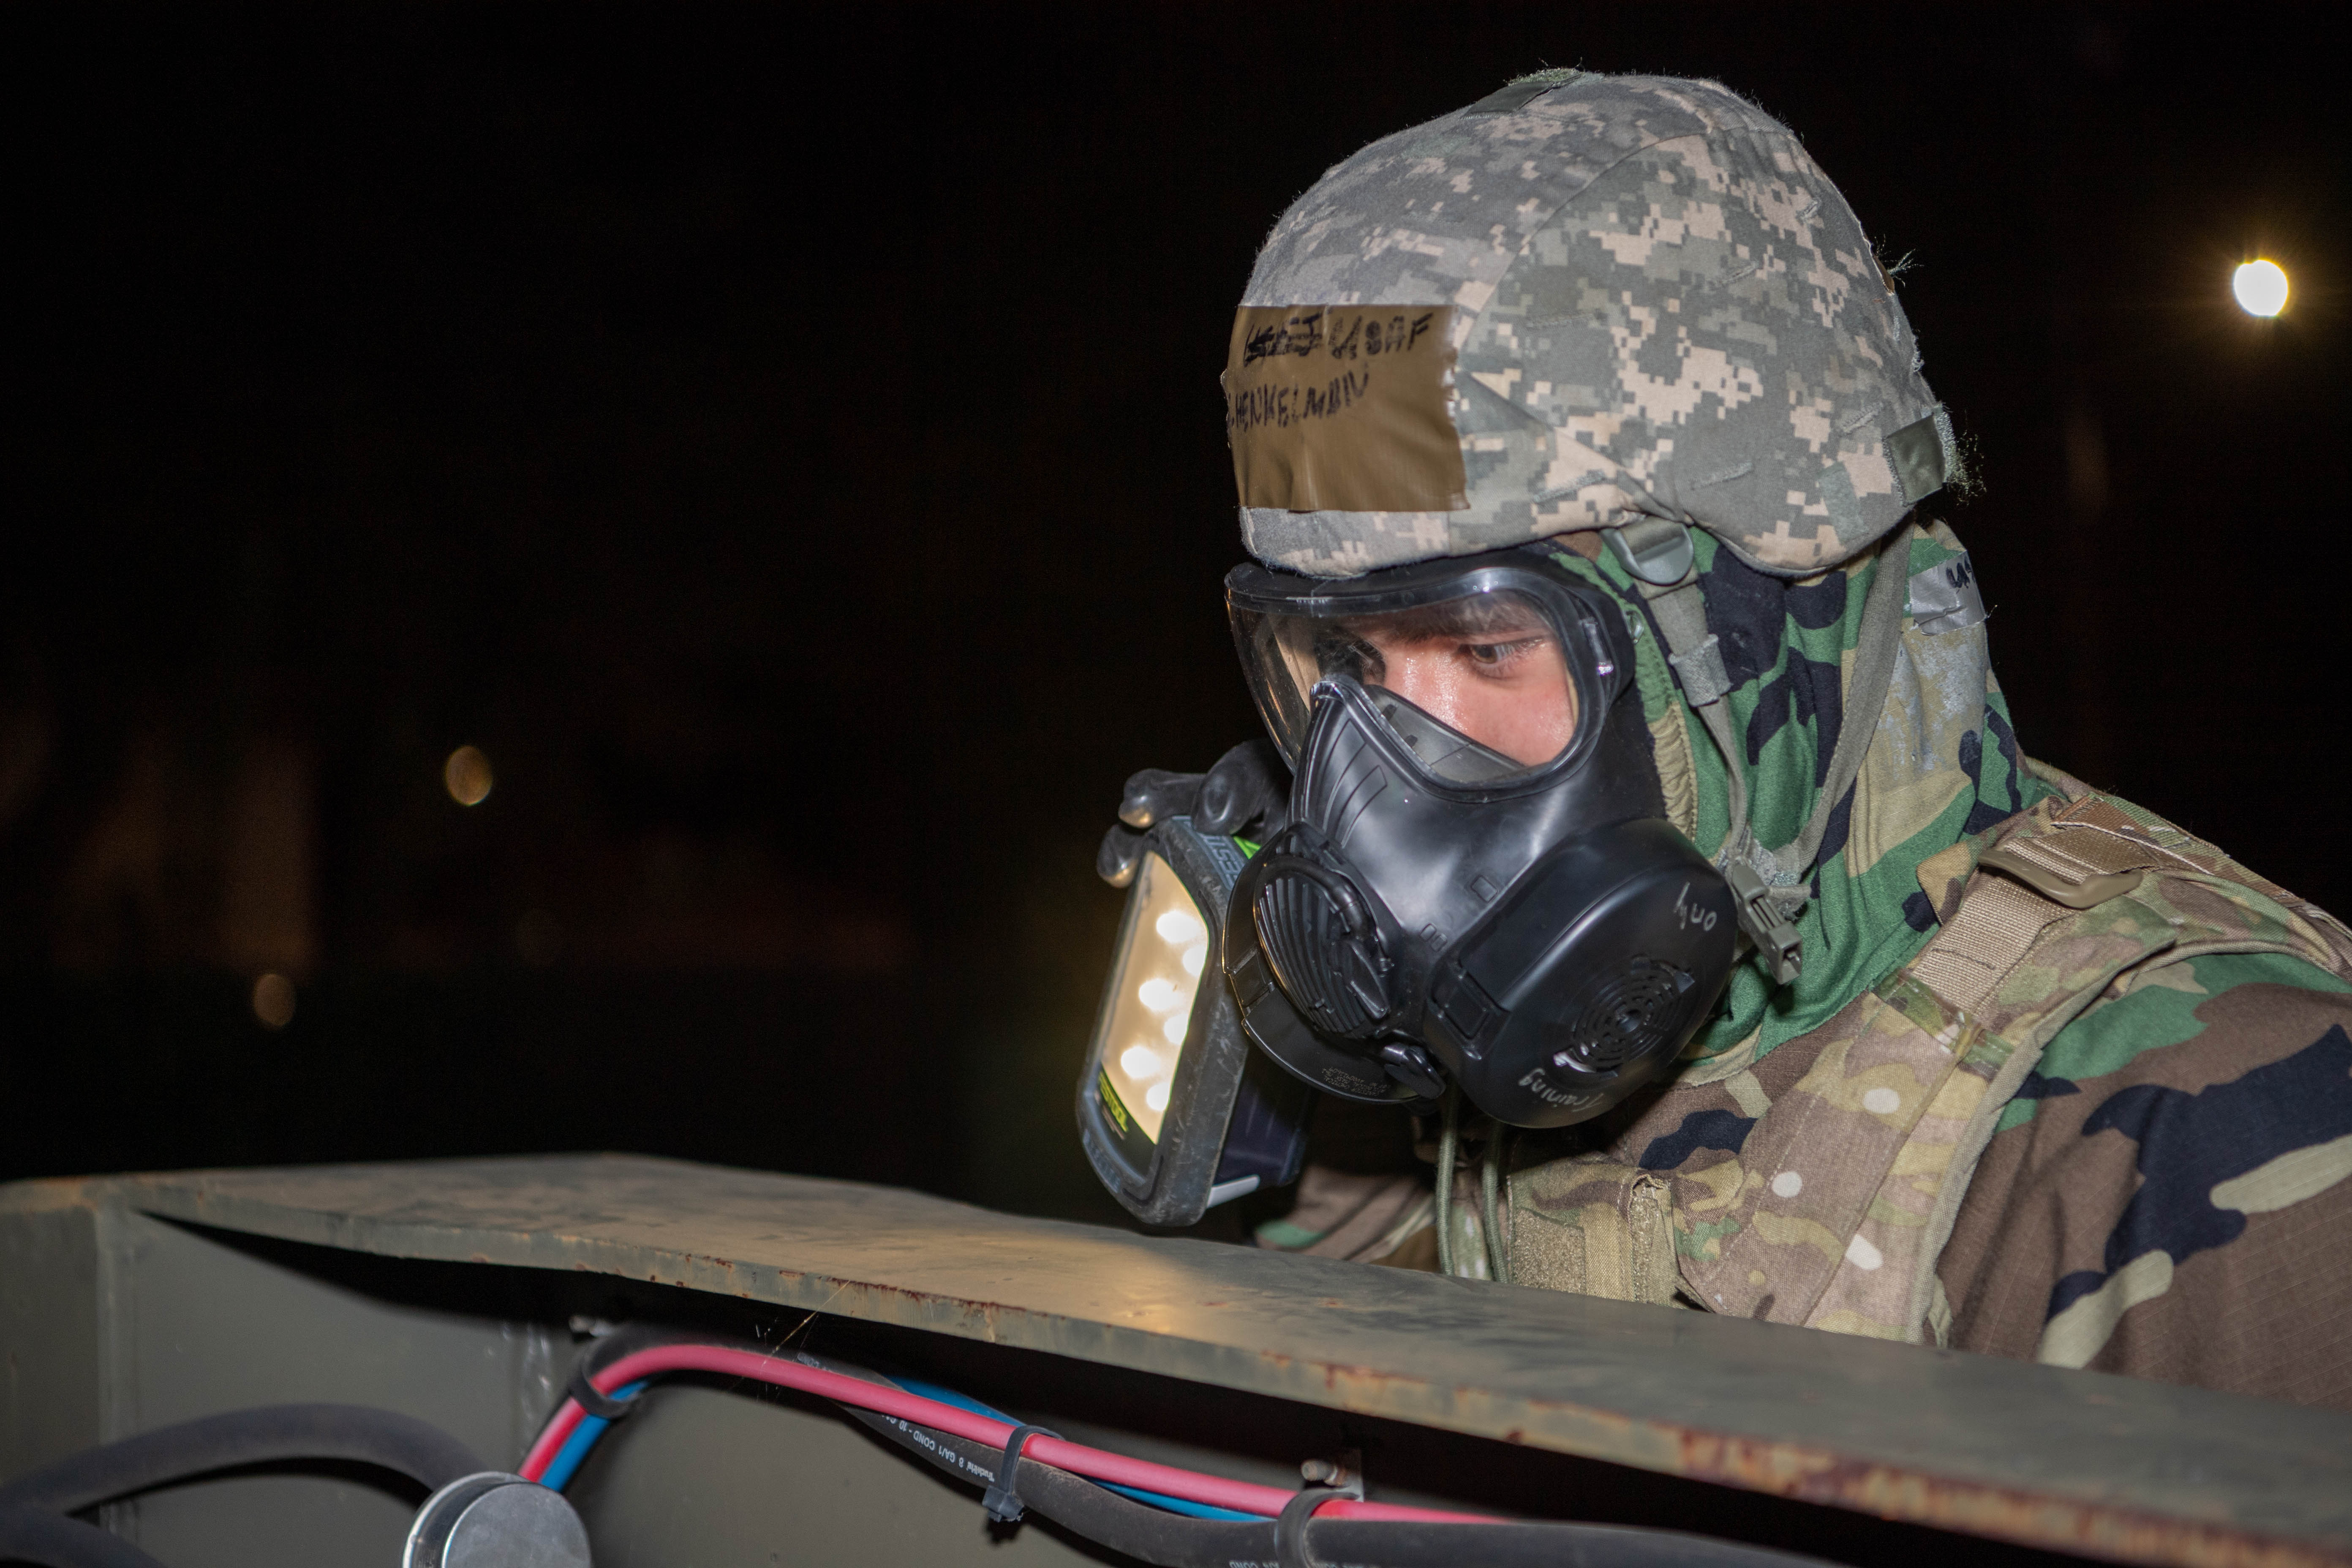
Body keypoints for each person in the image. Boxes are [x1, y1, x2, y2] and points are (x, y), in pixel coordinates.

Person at [1099, 70, 2352, 1409]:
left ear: (1755, 635)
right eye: (1344, 661)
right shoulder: (1430, 1111)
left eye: (1481, 649)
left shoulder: (2225, 1132)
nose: (1388, 778)